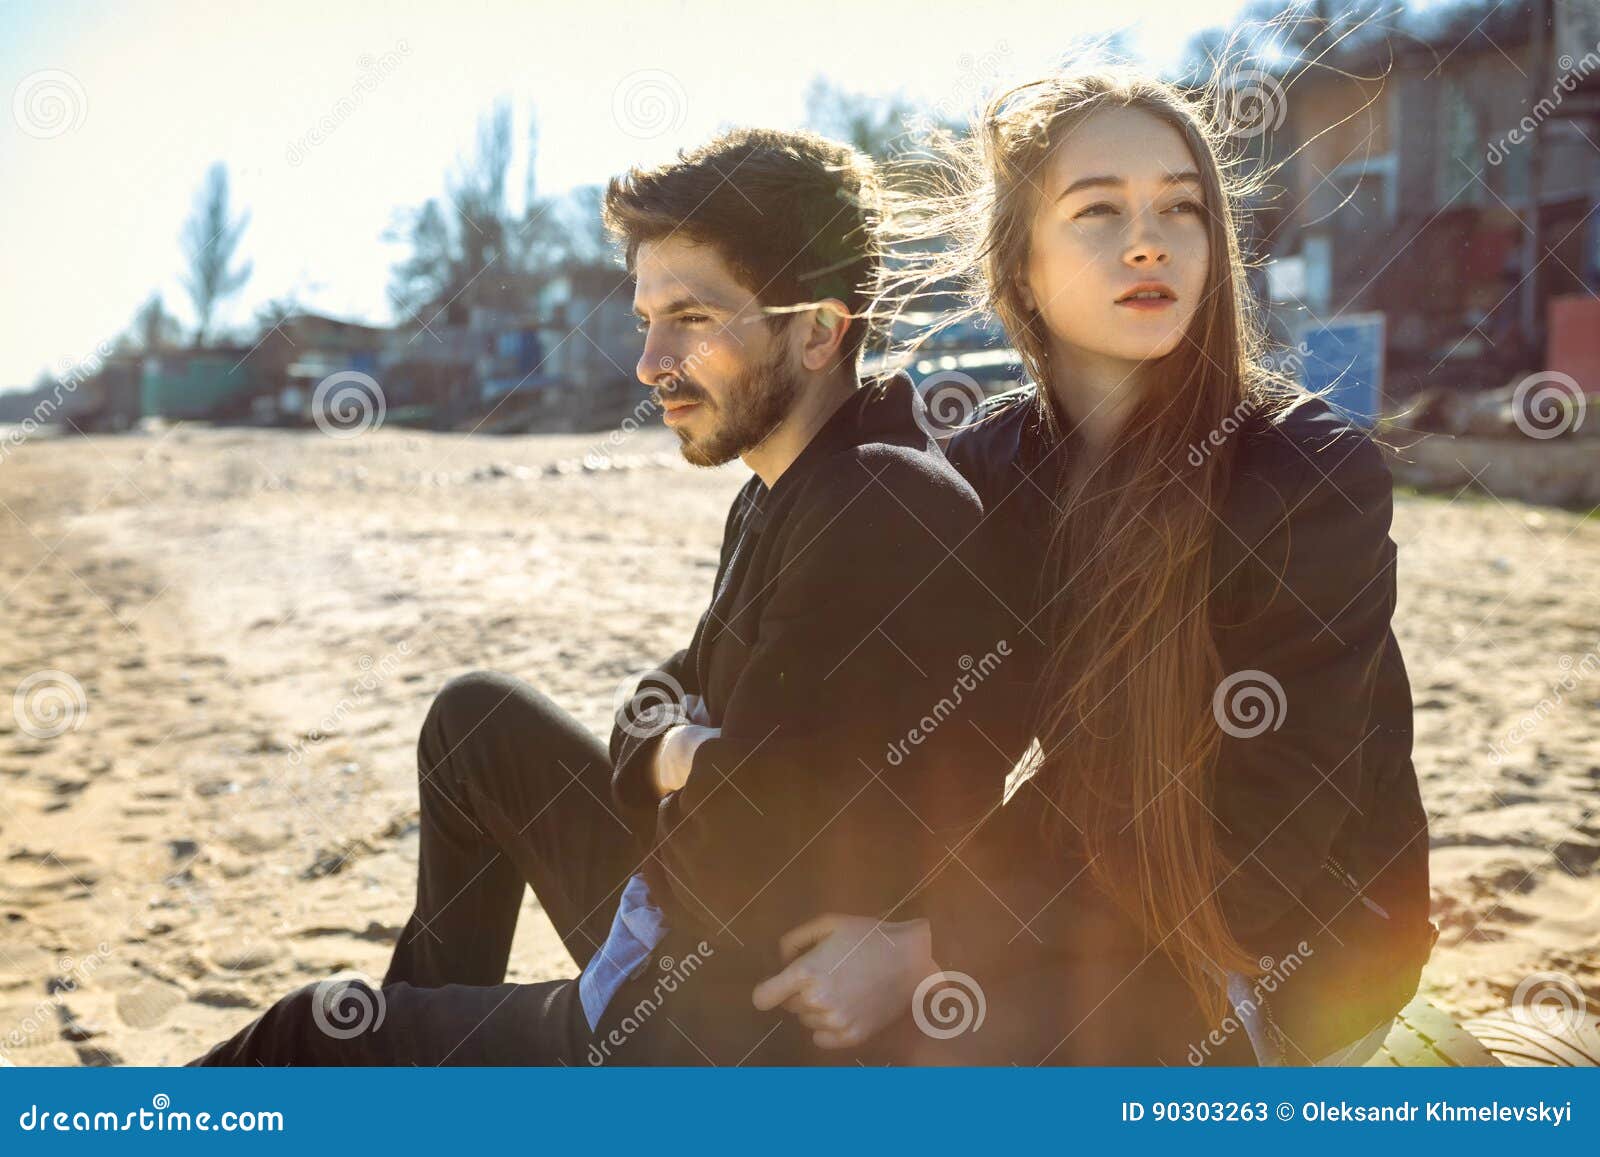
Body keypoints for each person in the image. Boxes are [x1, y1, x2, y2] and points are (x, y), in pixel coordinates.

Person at [188, 127, 1011, 1066]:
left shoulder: (878, 505)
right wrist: (685, 754)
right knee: (475, 724)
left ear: (819, 329)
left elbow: (750, 850)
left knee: (311, 1028)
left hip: (711, 1019)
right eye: (646, 320)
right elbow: (650, 714)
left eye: (693, 319)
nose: (651, 363)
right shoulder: (780, 487)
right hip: (675, 913)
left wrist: (696, 761)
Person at [752, 68, 1436, 1066]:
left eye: (1180, 208)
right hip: (1093, 897)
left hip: (1299, 948)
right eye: (1098, 210)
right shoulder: (988, 470)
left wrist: (930, 948)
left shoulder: (1305, 472)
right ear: (1019, 267)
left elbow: (1261, 850)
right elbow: (897, 731)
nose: (1149, 240)